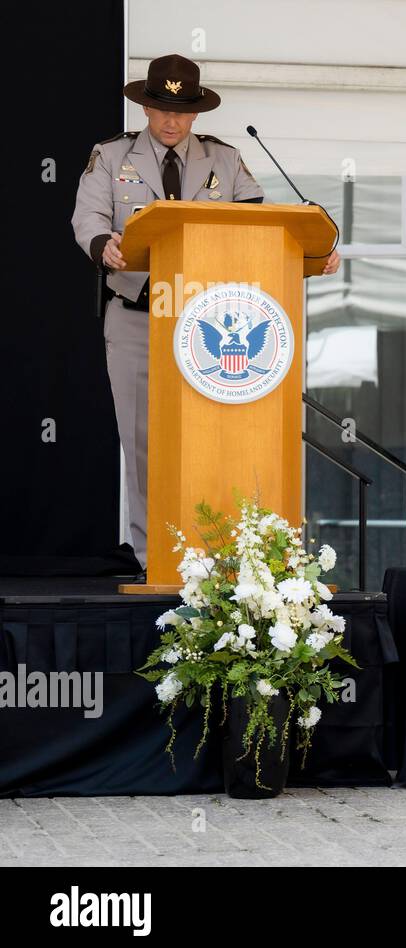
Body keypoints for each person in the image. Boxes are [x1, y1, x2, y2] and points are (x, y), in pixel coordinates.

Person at [71, 53, 340, 570]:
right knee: (144, 439)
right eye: (161, 108)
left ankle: (221, 558)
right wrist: (103, 242)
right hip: (138, 315)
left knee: (218, 435)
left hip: (211, 323)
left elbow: (260, 233)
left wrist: (308, 257)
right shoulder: (110, 156)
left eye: (182, 111)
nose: (171, 120)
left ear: (197, 114)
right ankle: (157, 559)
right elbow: (89, 217)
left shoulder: (225, 159)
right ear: (145, 108)